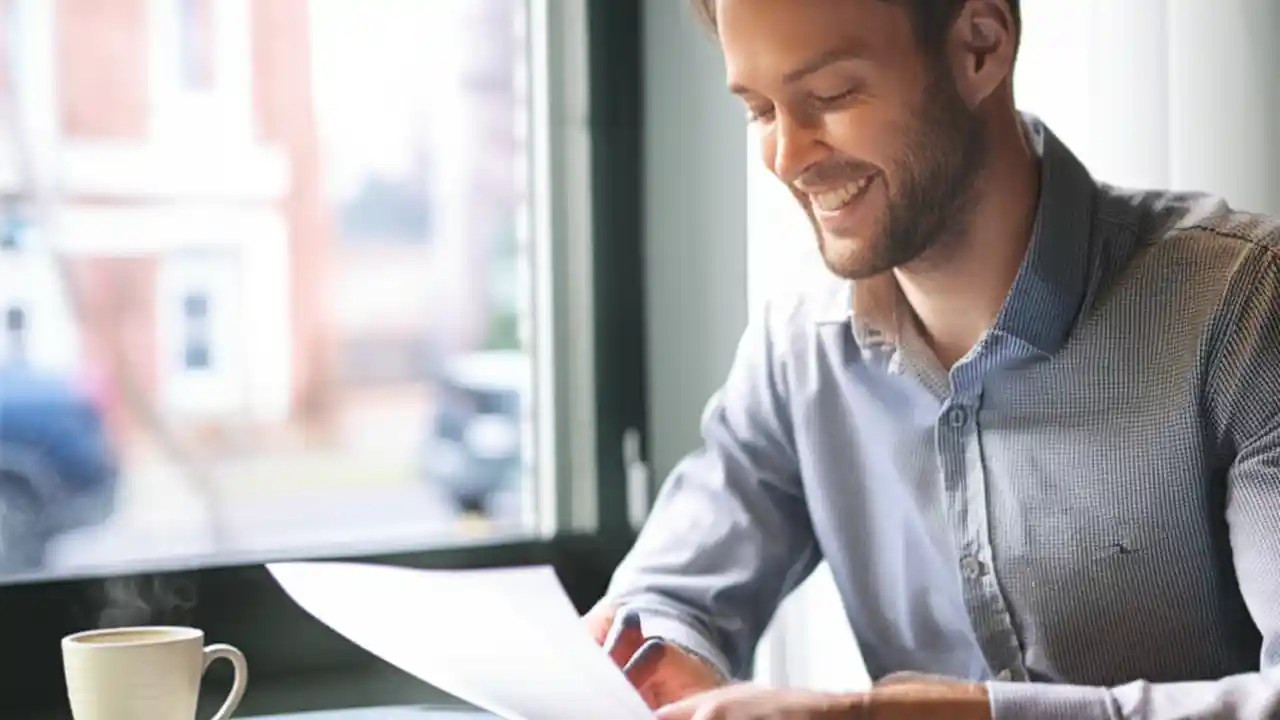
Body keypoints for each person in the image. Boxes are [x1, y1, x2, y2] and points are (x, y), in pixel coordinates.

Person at [583, 0, 1280, 718]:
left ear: (980, 45)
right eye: (761, 110)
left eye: (830, 96)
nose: (787, 159)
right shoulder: (800, 355)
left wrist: (929, 715)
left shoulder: (1245, 309)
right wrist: (663, 661)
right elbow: (662, 601)